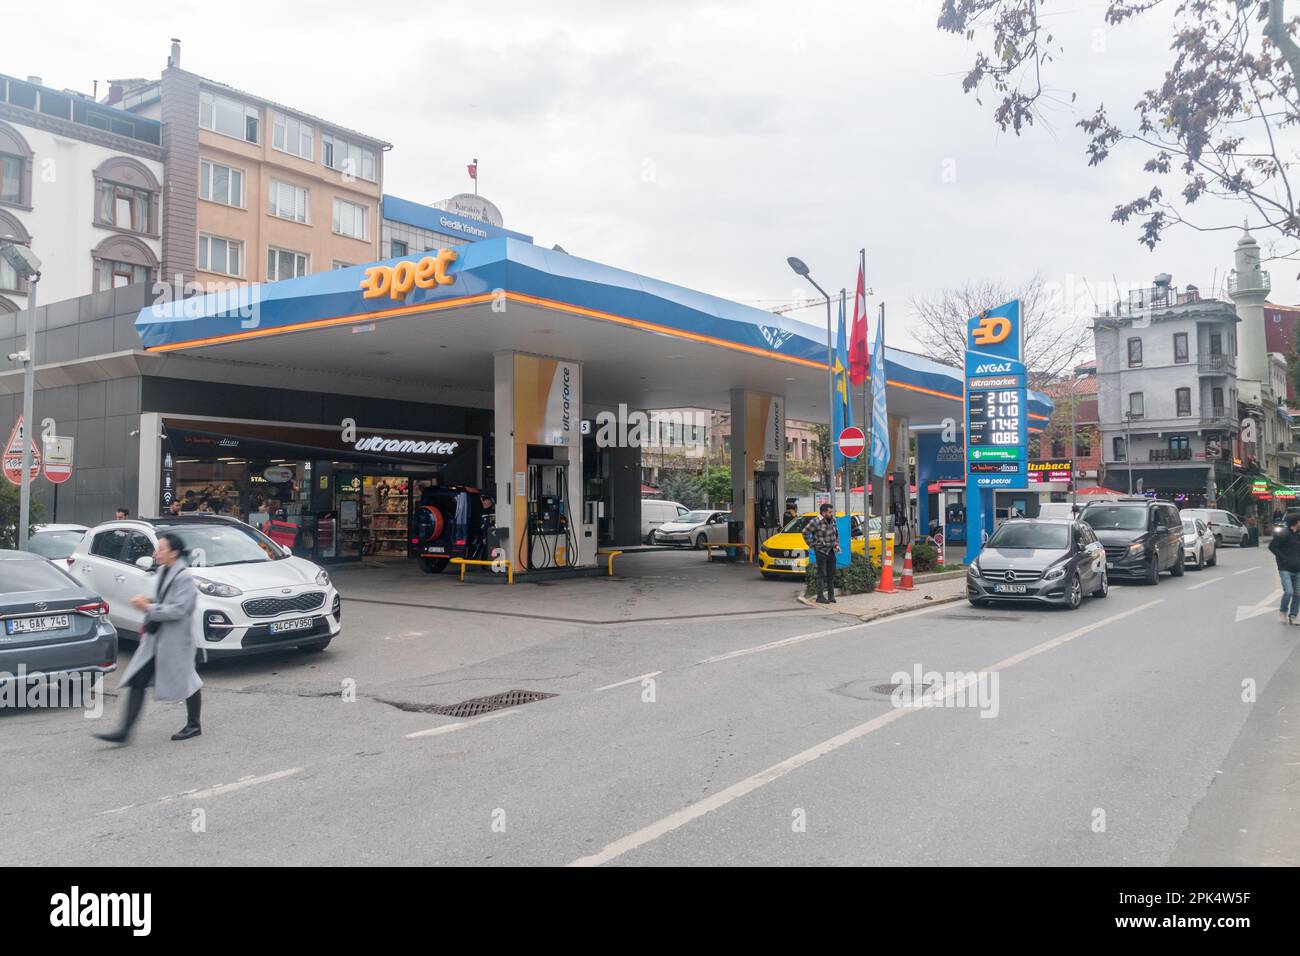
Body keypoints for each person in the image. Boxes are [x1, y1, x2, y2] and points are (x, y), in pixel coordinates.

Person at [94, 532, 204, 743]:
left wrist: (148, 606)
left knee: (189, 680)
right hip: (159, 639)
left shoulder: (184, 578)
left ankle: (194, 724)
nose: (156, 553)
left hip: (176, 641)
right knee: (138, 680)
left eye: (161, 549)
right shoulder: (165, 571)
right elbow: (167, 601)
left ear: (174, 553)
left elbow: (180, 609)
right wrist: (150, 601)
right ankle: (124, 731)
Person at [802, 502, 841, 604]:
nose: (831, 514)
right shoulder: (815, 521)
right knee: (822, 573)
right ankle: (820, 597)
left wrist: (836, 545)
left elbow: (835, 534)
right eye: (829, 512)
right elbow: (805, 532)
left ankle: (831, 596)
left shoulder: (832, 520)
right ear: (823, 513)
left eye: (832, 512)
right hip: (821, 551)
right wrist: (813, 544)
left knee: (831, 572)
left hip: (831, 550)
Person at [1269, 513, 1300, 625]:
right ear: (1296, 522)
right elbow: (1272, 546)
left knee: (1298, 594)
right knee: (1289, 592)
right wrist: (1283, 559)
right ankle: (1283, 612)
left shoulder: (1298, 535)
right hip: (1285, 568)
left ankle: (1293, 616)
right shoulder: (1284, 534)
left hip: (1298, 569)